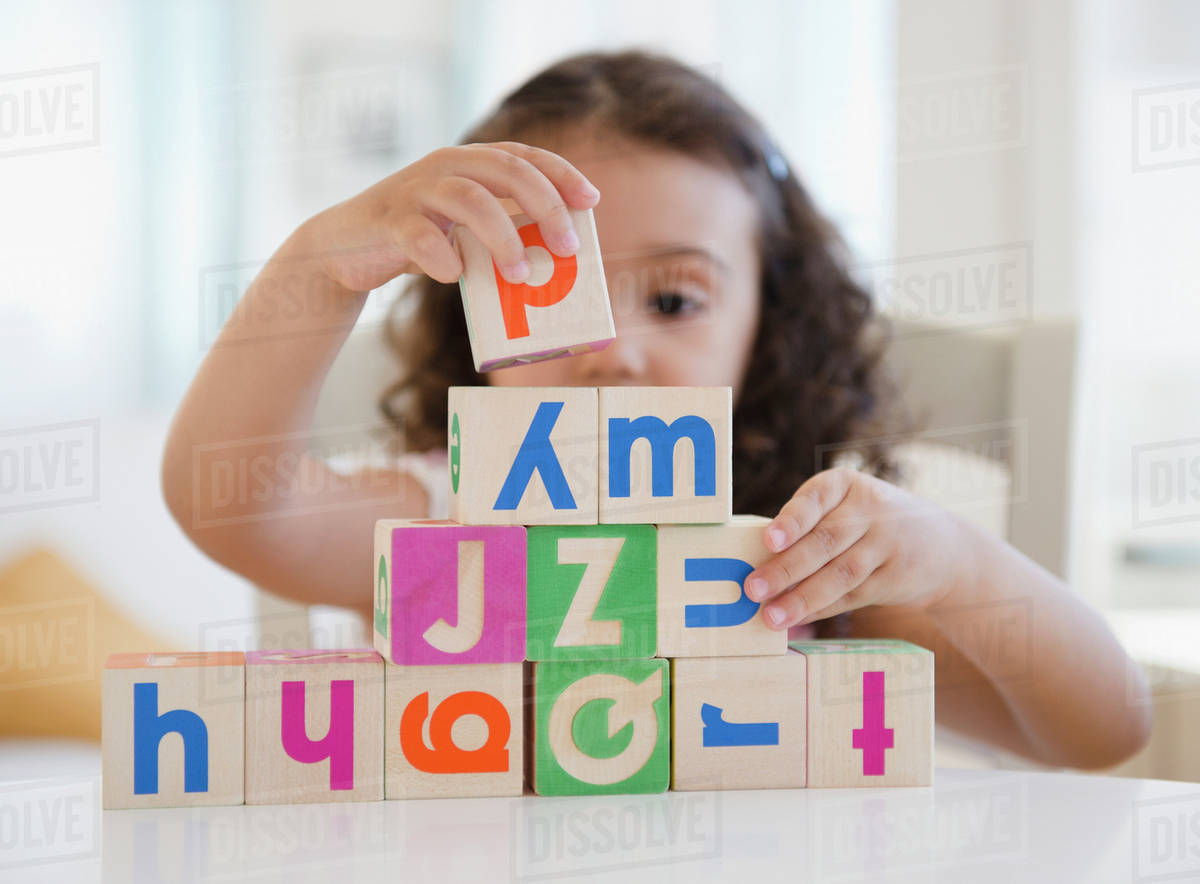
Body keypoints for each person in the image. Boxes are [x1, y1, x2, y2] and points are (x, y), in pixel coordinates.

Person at [162, 49, 1151, 770]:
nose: (610, 347)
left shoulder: (801, 551)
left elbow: (1104, 728)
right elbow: (232, 503)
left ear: (768, 325)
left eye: (675, 300)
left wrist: (960, 559)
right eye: (545, 290)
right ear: (472, 318)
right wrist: (317, 270)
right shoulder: (448, 525)